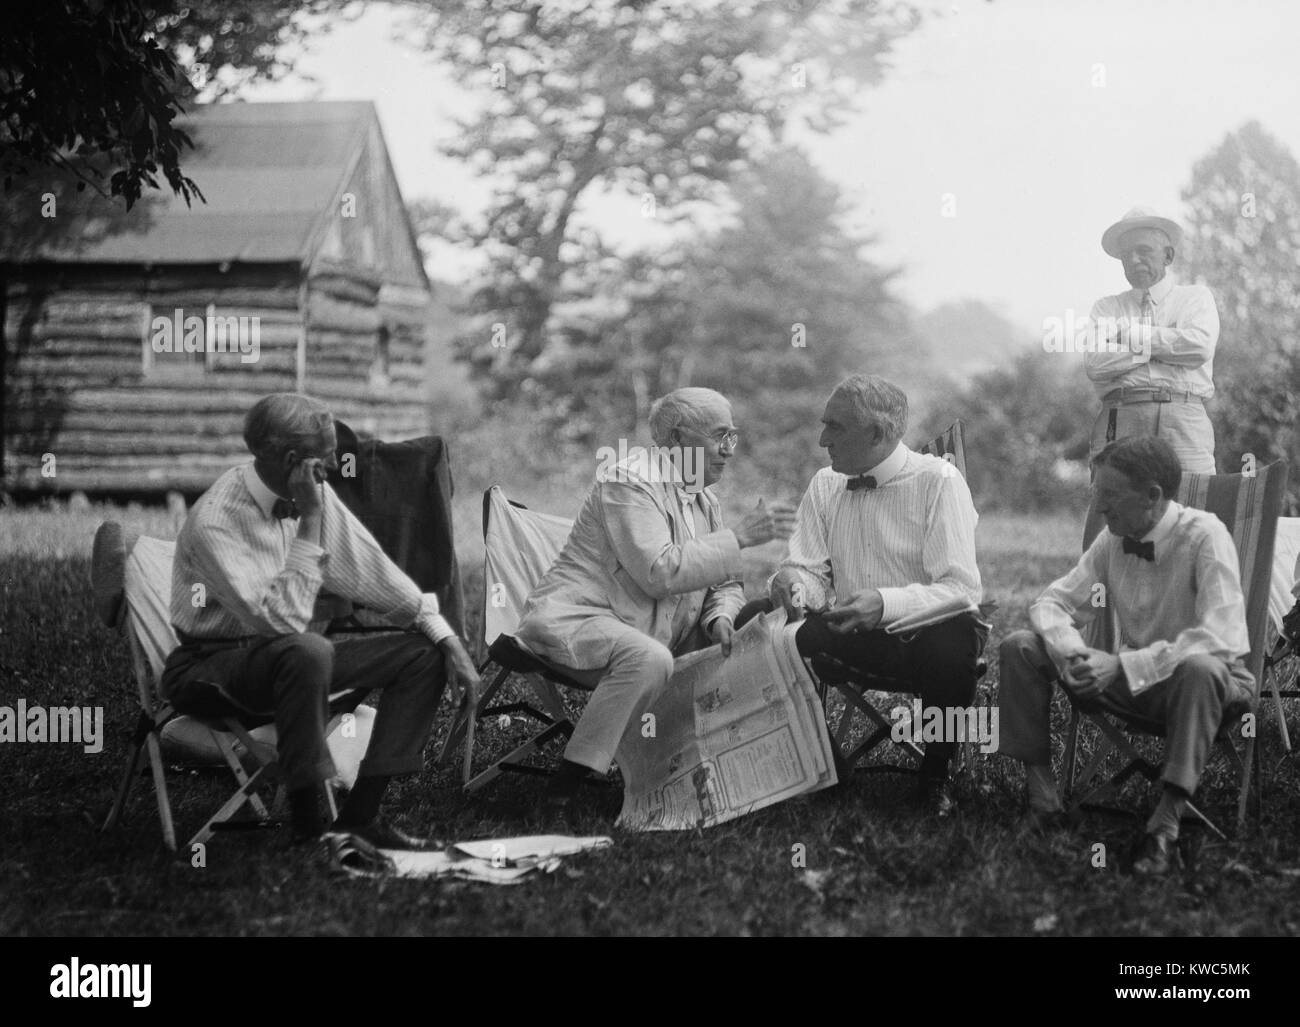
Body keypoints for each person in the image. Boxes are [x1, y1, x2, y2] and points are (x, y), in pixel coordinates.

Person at [161, 393, 481, 851]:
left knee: (421, 654)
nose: (336, 465)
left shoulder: (310, 490)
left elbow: (376, 573)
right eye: (326, 455)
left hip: (294, 662)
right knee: (307, 649)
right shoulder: (217, 520)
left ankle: (360, 819)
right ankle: (311, 831)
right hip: (210, 671)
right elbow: (283, 623)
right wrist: (310, 519)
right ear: (293, 460)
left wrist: (448, 640)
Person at [514, 387, 796, 813]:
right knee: (648, 658)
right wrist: (739, 538)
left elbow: (726, 583)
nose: (729, 451)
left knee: (768, 617)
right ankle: (565, 787)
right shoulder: (628, 480)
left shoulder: (704, 499)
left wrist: (719, 616)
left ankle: (769, 764)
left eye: (733, 437)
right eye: (720, 436)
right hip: (584, 618)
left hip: (661, 633)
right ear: (680, 439)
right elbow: (658, 572)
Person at [998, 436, 1253, 875]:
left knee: (1199, 666)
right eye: (1096, 492)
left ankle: (1164, 826)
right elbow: (1050, 604)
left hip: (1208, 686)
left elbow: (1221, 636)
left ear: (1153, 496)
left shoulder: (1205, 535)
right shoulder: (1114, 538)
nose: (1099, 507)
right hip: (1137, 684)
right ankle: (1043, 802)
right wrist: (1075, 654)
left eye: (1110, 495)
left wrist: (1120, 664)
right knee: (1019, 645)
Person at [744, 373, 985, 817]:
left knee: (953, 640)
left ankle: (934, 779)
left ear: (876, 433)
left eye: (835, 427)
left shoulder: (940, 481)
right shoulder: (825, 483)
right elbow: (808, 567)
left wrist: (885, 602)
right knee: (757, 619)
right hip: (849, 631)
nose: (822, 440)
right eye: (824, 425)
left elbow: (961, 589)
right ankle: (825, 765)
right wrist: (794, 583)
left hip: (923, 637)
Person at [1084, 206, 1220, 475]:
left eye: (1143, 251)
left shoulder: (1195, 298)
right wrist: (1164, 345)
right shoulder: (1107, 308)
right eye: (1126, 255)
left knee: (1193, 505)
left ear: (1168, 255)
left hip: (1183, 422)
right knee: (1116, 508)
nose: (1134, 260)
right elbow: (1096, 364)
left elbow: (1198, 347)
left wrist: (1130, 336)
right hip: (1121, 417)